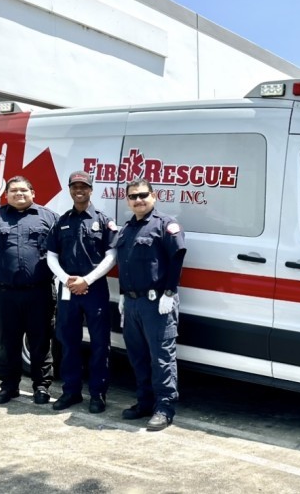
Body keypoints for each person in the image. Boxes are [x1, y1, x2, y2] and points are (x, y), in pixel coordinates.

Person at [0, 175, 58, 405]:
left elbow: (59, 249)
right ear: (7, 194)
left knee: (40, 341)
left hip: (39, 292)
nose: (19, 194)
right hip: (5, 293)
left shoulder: (49, 217)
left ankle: (41, 387)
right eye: (14, 191)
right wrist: (3, 265)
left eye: (23, 190)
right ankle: (8, 388)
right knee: (7, 342)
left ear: (33, 193)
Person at [113, 178, 186, 431]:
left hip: (157, 303)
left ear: (153, 196)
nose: (138, 200)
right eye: (133, 196)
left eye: (143, 195)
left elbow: (176, 259)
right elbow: (125, 264)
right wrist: (123, 295)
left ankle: (164, 408)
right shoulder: (127, 229)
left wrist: (169, 292)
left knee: (161, 358)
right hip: (132, 303)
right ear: (127, 200)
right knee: (138, 357)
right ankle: (144, 402)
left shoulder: (165, 225)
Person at [46, 171, 118, 414]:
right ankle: (71, 391)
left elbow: (112, 256)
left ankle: (98, 394)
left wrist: (87, 279)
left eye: (84, 187)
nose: (79, 190)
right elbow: (51, 255)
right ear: (69, 190)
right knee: (68, 343)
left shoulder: (103, 220)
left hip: (94, 289)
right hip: (68, 289)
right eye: (75, 186)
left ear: (91, 190)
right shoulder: (62, 221)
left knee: (100, 344)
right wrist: (67, 279)